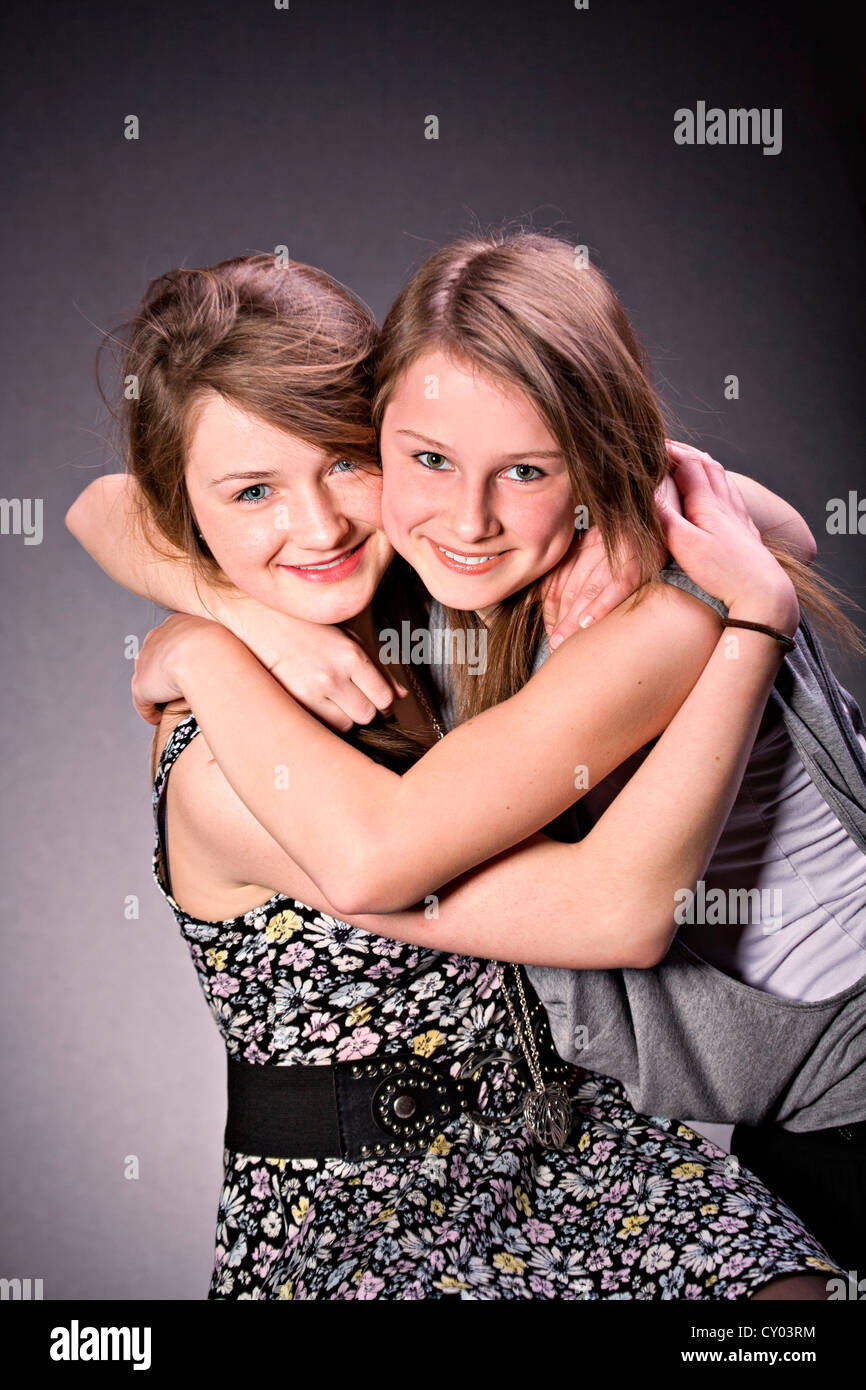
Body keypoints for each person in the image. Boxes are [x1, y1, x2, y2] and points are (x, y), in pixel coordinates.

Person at [67, 251, 839, 1299]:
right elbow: (102, 501)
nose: (322, 524)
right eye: (254, 491)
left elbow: (774, 527)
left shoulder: (454, 597)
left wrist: (646, 500)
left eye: (346, 462)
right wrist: (219, 633)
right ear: (190, 514)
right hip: (358, 1206)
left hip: (595, 1144)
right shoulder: (223, 757)